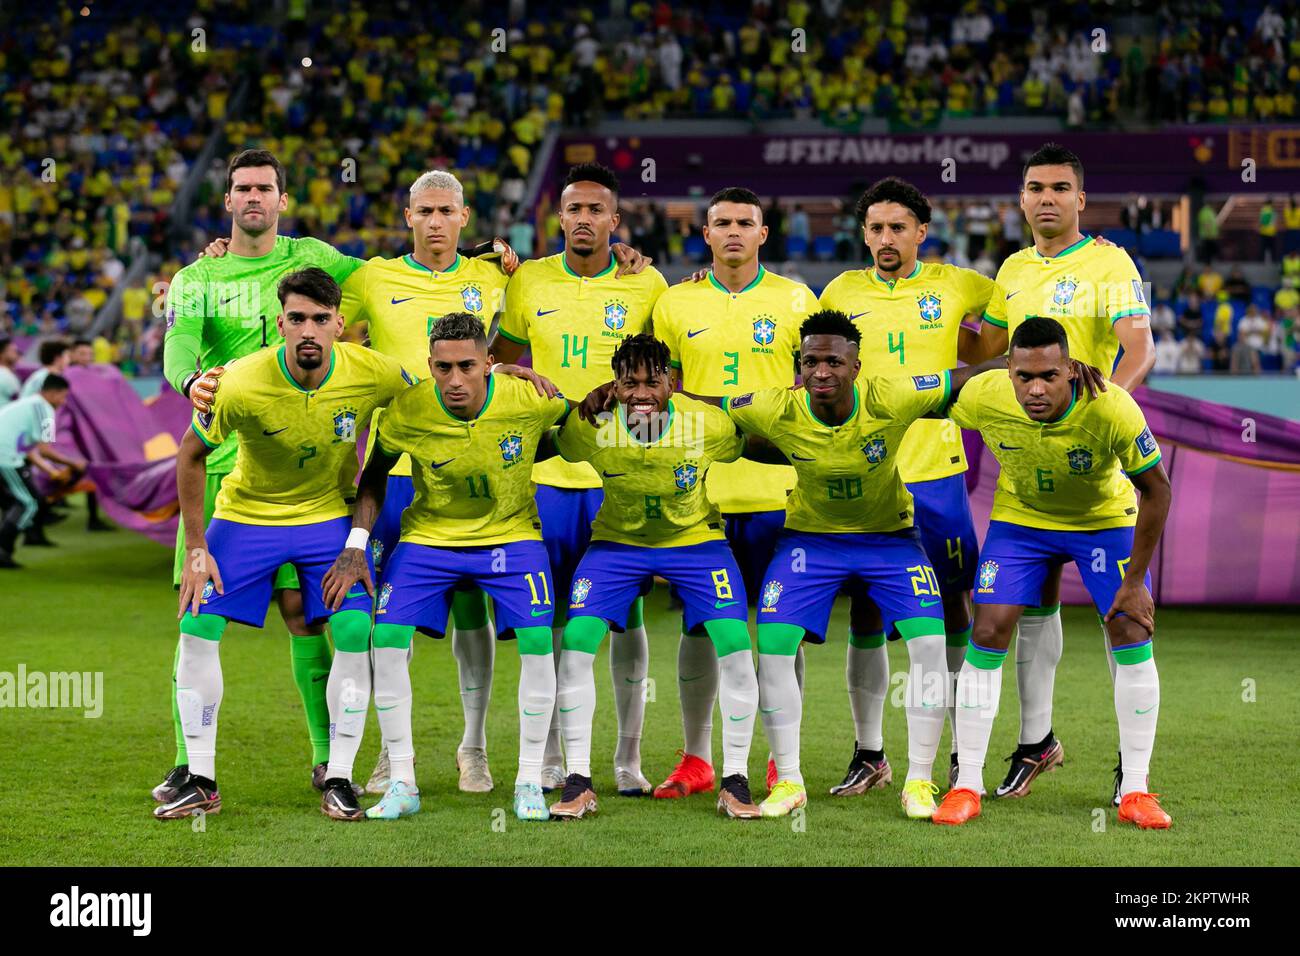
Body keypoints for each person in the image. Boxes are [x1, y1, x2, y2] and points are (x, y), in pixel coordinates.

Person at [720, 310, 1019, 820]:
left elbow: (964, 376)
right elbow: (705, 407)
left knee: (928, 642)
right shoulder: (775, 407)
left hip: (890, 540)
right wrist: (633, 402)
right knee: (771, 644)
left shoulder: (891, 396)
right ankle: (788, 780)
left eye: (834, 361)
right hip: (809, 543)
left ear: (857, 366)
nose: (822, 372)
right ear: (799, 366)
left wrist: (1021, 361)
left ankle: (920, 780)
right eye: (811, 361)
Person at [154, 148, 372, 804]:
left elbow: (390, 279)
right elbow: (177, 350)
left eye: (265, 188)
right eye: (243, 188)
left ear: (282, 199)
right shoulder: (197, 278)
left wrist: (484, 255)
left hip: (304, 471)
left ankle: (328, 758)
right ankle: (188, 765)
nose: (254, 197)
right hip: (220, 469)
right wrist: (193, 382)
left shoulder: (313, 258)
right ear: (227, 201)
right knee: (196, 614)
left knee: (307, 615)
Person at [155, 268, 411, 819]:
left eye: (322, 319)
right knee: (196, 623)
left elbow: (439, 390)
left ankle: (339, 776)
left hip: (326, 519)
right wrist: (197, 547)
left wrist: (502, 369)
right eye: (297, 319)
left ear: (340, 324)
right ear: (281, 324)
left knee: (350, 627)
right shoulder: (243, 381)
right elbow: (190, 455)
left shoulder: (373, 373)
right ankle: (200, 776)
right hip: (247, 516)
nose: (309, 331)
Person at [326, 313, 572, 823]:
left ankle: (528, 779)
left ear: (489, 363)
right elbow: (372, 474)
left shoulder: (529, 399)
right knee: (387, 641)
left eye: (466, 366)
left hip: (511, 536)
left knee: (537, 642)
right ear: (430, 365)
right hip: (429, 539)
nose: (454, 380)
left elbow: (574, 424)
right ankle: (402, 780)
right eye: (443, 368)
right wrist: (356, 543)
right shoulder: (408, 410)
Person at [932, 317, 1172, 830]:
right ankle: (967, 784)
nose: (1035, 389)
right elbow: (925, 395)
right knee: (989, 628)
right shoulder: (986, 394)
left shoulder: (1109, 406)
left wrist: (1134, 584)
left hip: (1101, 522)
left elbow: (1158, 490)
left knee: (1129, 628)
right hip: (1022, 523)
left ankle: (1136, 788)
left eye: (1048, 375)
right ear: (1009, 371)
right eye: (1023, 376)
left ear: (1072, 369)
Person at [973, 142, 1154, 802]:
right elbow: (982, 353)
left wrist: (1106, 415)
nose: (1045, 197)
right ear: (1021, 200)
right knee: (1027, 608)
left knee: (1124, 620)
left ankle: (1133, 776)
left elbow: (1140, 346)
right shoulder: (1014, 268)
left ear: (1080, 199)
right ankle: (1036, 741)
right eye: (1033, 187)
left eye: (1058, 187)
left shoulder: (1110, 262)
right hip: (1025, 475)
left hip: (1096, 475)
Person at [490, 162, 668, 796]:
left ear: (614, 221)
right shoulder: (529, 282)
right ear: (558, 218)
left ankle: (627, 761)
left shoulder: (647, 284)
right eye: (574, 209)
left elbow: (664, 376)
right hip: (543, 471)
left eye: (597, 210)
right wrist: (515, 377)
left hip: (621, 470)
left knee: (629, 618)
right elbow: (496, 364)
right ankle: (552, 760)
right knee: (549, 621)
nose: (585, 219)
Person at [819, 176, 992, 793]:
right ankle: (870, 753)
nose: (885, 238)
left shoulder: (958, 284)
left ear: (923, 231)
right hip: (868, 477)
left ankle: (954, 753)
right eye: (874, 228)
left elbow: (1018, 308)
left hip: (938, 475)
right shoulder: (840, 290)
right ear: (862, 234)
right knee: (866, 610)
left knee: (951, 610)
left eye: (898, 228)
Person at [549, 334, 762, 820]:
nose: (642, 392)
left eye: (653, 381)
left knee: (733, 641)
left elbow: (757, 440)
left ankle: (734, 780)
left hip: (695, 542)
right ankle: (578, 780)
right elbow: (544, 431)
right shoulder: (590, 426)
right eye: (629, 383)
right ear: (613, 386)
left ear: (674, 382)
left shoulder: (706, 423)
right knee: (578, 637)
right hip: (616, 544)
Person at [649, 185, 814, 797]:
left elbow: (819, 385)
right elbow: (655, 393)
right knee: (699, 628)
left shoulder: (797, 298)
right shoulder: (673, 303)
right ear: (707, 234)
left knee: (782, 630)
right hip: (701, 492)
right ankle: (696, 759)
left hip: (779, 489)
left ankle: (780, 760)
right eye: (723, 223)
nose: (735, 232)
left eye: (747, 221)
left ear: (764, 233)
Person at [0, 375, 83, 568]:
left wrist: (51, 470)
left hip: (8, 455)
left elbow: (31, 449)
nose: (63, 402)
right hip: (5, 457)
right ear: (53, 393)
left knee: (14, 503)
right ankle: (3, 550)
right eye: (63, 397)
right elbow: (45, 450)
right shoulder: (45, 410)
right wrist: (73, 464)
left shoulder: (28, 403)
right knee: (30, 502)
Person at [0, 337, 21, 405]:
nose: (16, 353)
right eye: (12, 350)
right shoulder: (5, 375)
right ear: (1, 354)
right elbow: (18, 402)